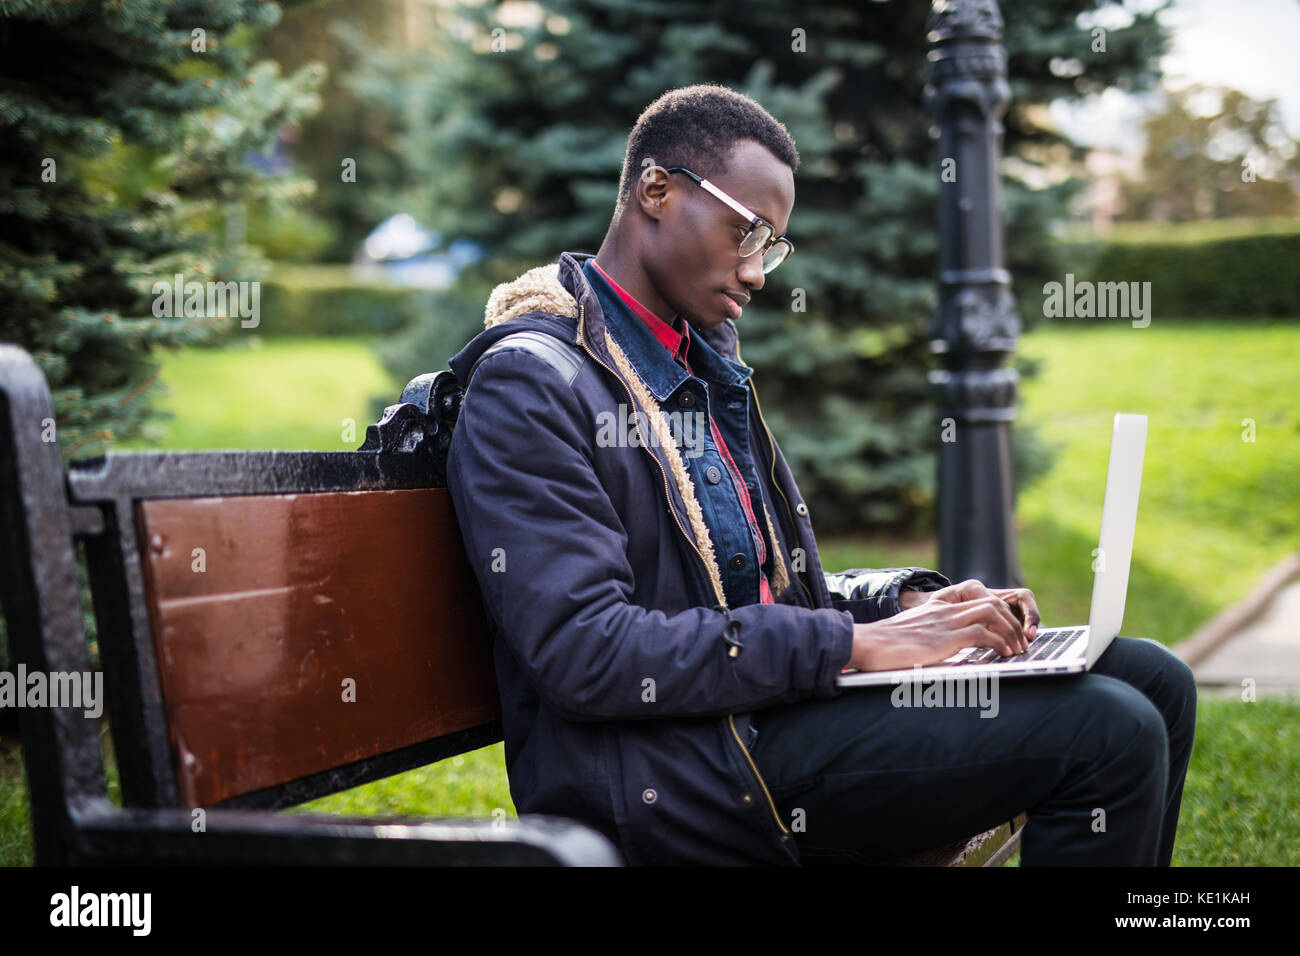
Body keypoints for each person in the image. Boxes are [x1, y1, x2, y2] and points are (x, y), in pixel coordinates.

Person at [444, 83, 1196, 866]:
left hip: (760, 719)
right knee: (1110, 730)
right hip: (678, 776)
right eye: (748, 232)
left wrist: (896, 606)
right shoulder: (534, 384)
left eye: (770, 246)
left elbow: (748, 592)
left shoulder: (697, 365)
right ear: (656, 191)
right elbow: (586, 651)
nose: (758, 271)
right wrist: (852, 647)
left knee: (1151, 678)